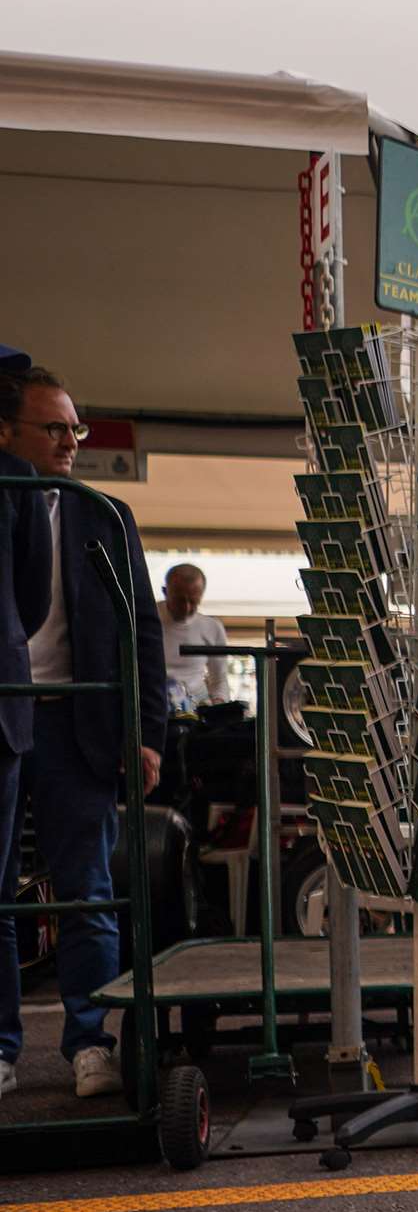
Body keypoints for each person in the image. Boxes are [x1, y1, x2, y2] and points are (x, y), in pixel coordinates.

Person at [0, 364, 165, 1099]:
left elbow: (144, 633)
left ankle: (89, 1041)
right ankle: (2, 1049)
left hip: (79, 723)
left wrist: (147, 732)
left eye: (76, 428)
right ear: (7, 434)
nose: (71, 440)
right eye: (54, 428)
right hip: (4, 717)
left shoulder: (104, 515)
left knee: (87, 893)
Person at [158, 563, 228, 712]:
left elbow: (219, 679)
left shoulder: (212, 627)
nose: (187, 607)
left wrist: (219, 703)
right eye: (180, 600)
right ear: (165, 592)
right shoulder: (148, 619)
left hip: (196, 707)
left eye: (193, 601)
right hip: (156, 702)